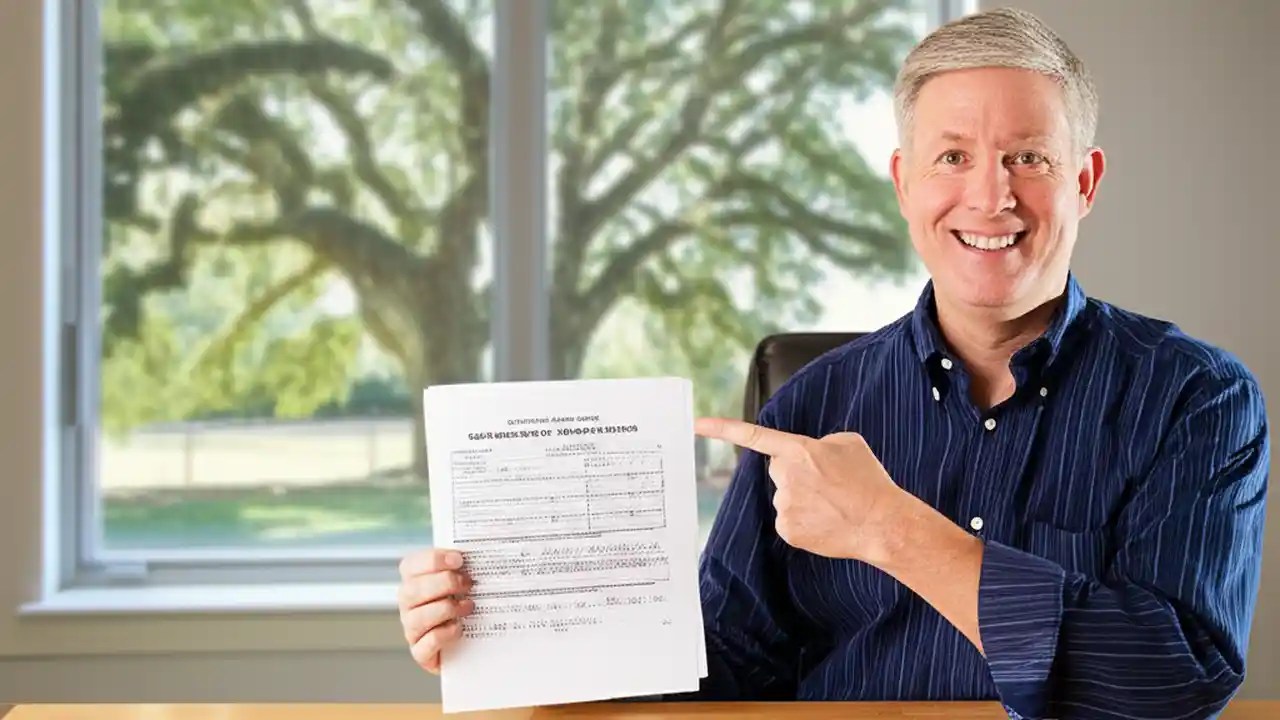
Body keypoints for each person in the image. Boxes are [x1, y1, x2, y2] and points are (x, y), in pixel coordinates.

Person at [396, 8, 1269, 719]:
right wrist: (505, 634)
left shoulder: (1198, 398)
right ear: (903, 182)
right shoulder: (809, 405)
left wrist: (891, 529)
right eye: (953, 156)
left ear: (1085, 181)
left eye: (1029, 158)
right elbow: (726, 668)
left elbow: (1176, 678)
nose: (991, 195)